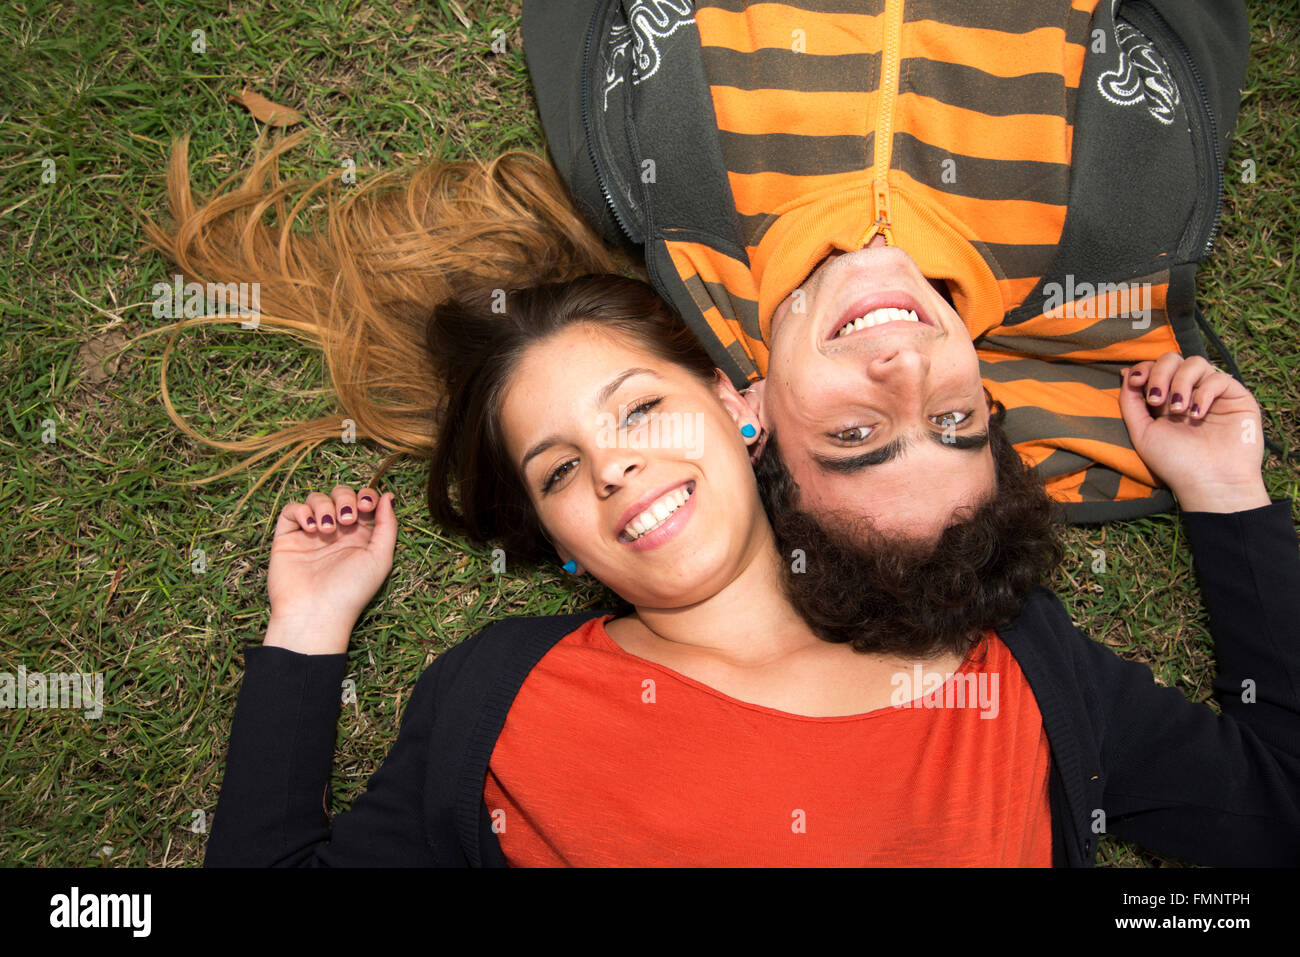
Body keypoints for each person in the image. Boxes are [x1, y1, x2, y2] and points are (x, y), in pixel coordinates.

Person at [204, 274, 1300, 867]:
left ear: (738, 410)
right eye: (559, 470)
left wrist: (1224, 495)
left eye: (641, 409)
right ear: (555, 534)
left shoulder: (1002, 653)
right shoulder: (497, 700)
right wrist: (307, 630)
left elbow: (1275, 812)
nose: (616, 463)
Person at [521, 0, 1253, 539]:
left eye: (852, 434)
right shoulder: (1127, 214)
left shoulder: (645, 178)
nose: (906, 367)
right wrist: (1226, 490)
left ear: (754, 418)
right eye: (954, 418)